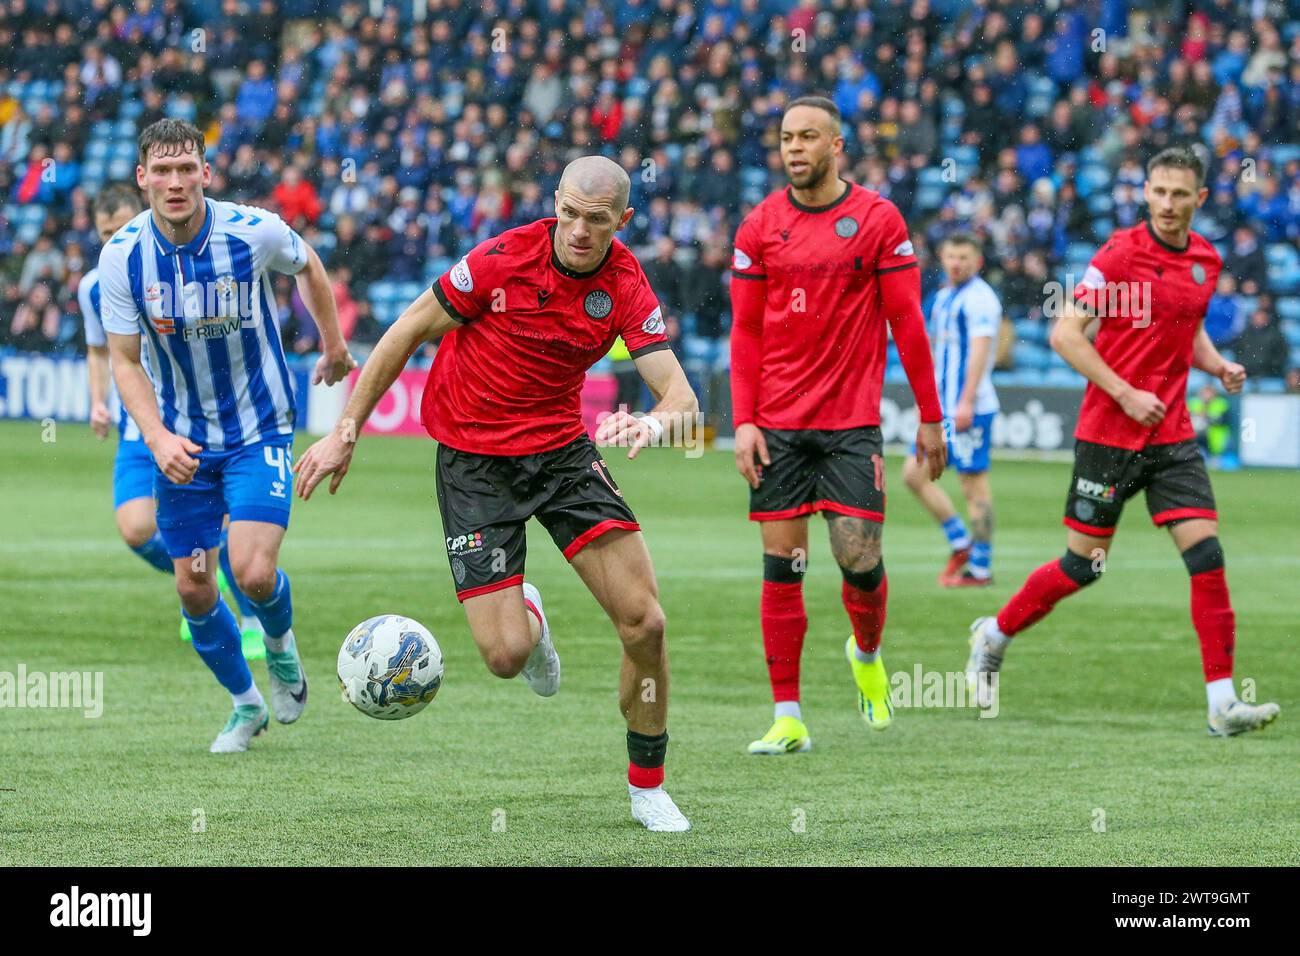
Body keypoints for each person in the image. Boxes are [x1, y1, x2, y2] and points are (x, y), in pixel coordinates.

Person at [294, 156, 699, 832]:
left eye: (594, 221)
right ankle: (530, 616)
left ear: (621, 222)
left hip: (563, 456)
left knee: (646, 624)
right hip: (475, 465)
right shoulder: (503, 258)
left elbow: (682, 397)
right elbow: (409, 329)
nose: (576, 230)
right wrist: (346, 430)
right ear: (556, 204)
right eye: (567, 212)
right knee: (507, 657)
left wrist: (654, 421)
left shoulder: (625, 280)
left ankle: (647, 785)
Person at [966, 147, 1279, 737]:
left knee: (1206, 557)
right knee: (1083, 567)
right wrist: (1126, 392)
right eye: (1158, 192)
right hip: (1109, 433)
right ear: (1145, 192)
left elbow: (1187, 332)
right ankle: (995, 632)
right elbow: (1066, 335)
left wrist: (1217, 366)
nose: (1167, 204)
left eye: (1179, 195)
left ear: (1200, 200)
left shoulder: (1206, 261)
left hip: (1171, 434)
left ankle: (1222, 702)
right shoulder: (1118, 254)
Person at [99, 119, 356, 752]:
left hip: (259, 428)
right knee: (193, 583)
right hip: (182, 441)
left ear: (206, 174)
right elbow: (125, 362)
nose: (176, 181)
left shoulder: (253, 231)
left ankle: (282, 649)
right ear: (143, 179)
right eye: (162, 170)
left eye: (187, 168)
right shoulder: (122, 257)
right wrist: (156, 437)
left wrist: (333, 343)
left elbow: (309, 265)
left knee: (253, 570)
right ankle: (245, 705)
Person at [729, 96, 947, 755]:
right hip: (776, 424)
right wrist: (742, 421)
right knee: (782, 565)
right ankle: (788, 714)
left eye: (808, 137)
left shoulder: (878, 220)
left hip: (851, 424)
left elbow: (907, 323)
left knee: (859, 557)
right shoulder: (760, 225)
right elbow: (744, 332)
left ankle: (867, 652)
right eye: (786, 138)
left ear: (837, 145)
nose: (795, 148)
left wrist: (931, 418)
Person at [80, 182, 265, 658]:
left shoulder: (174, 270)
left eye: (121, 227)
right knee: (136, 528)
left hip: (192, 421)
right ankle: (205, 577)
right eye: (105, 232)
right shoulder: (95, 285)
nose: (114, 238)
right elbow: (100, 352)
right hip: (140, 428)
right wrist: (98, 401)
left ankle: (247, 621)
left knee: (223, 525)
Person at [902, 233, 1001, 587]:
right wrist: (924, 399)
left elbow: (979, 350)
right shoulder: (942, 298)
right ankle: (961, 542)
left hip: (968, 407)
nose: (956, 262)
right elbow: (931, 351)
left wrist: (966, 401)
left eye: (963, 256)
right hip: (941, 407)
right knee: (913, 475)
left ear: (977, 261)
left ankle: (981, 568)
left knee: (973, 485)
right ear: (942, 258)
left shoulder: (981, 299)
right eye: (950, 255)